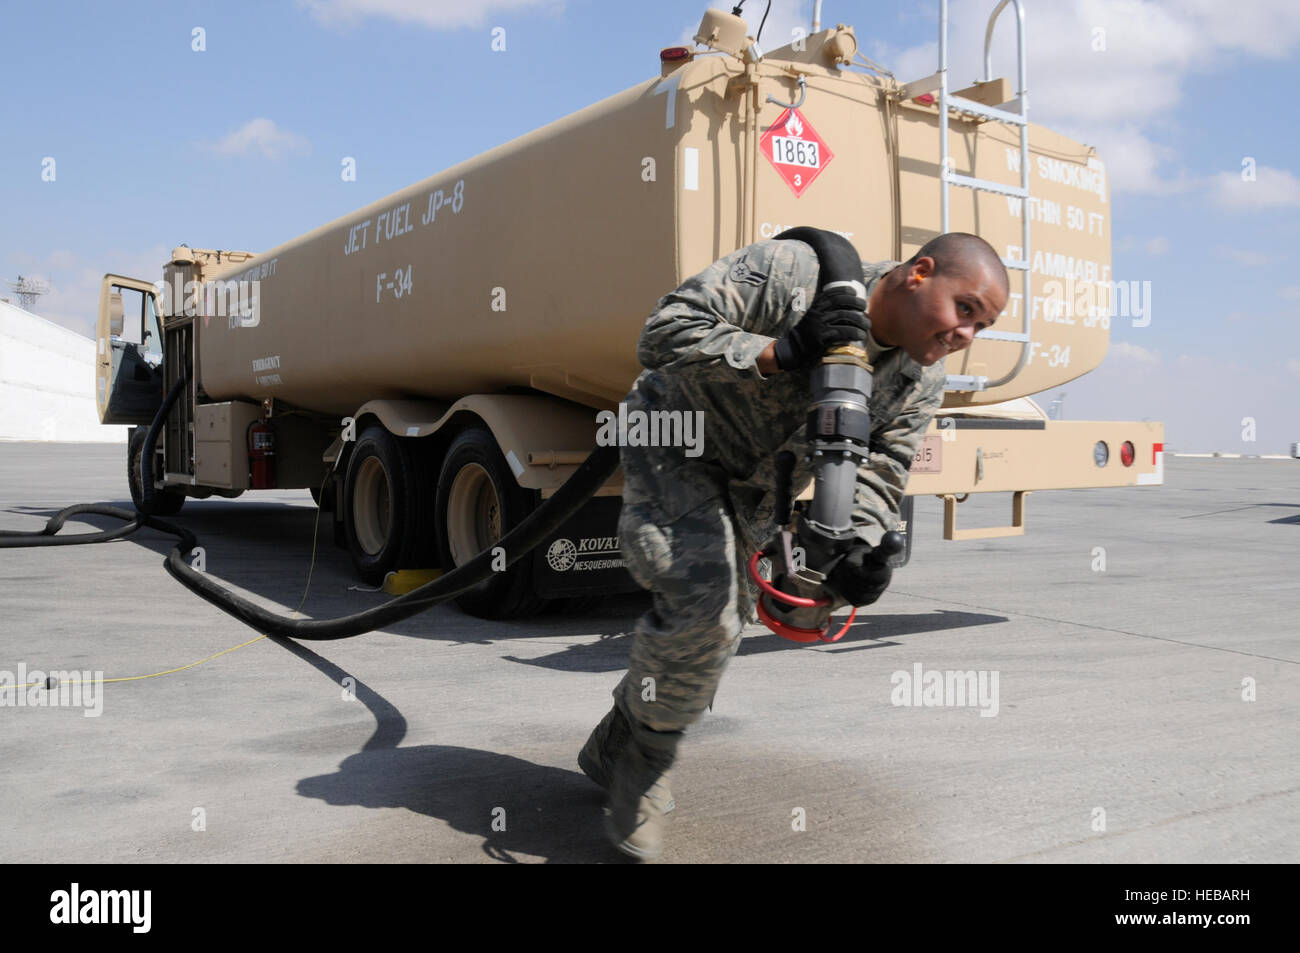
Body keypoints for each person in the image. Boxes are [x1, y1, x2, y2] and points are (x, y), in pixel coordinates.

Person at [579, 231, 1009, 859]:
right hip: (677, 441)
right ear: (920, 273)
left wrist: (857, 555)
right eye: (965, 309)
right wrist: (779, 351)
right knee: (706, 608)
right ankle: (640, 770)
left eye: (983, 325)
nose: (966, 334)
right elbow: (663, 332)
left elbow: (883, 467)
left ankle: (616, 745)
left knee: (727, 625)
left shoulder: (919, 378)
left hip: (757, 485)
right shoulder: (796, 274)